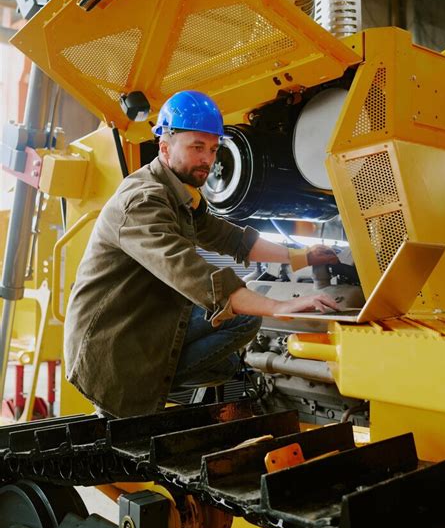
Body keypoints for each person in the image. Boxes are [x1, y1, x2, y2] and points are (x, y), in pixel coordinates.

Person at [64, 91, 339, 418]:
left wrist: (304, 257)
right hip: (115, 343)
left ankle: (157, 379)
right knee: (245, 320)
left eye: (212, 149)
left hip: (147, 319)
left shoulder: (176, 192)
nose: (208, 160)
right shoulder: (142, 201)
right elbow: (191, 272)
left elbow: (231, 239)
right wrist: (279, 306)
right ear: (165, 147)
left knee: (229, 356)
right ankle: (144, 383)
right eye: (197, 147)